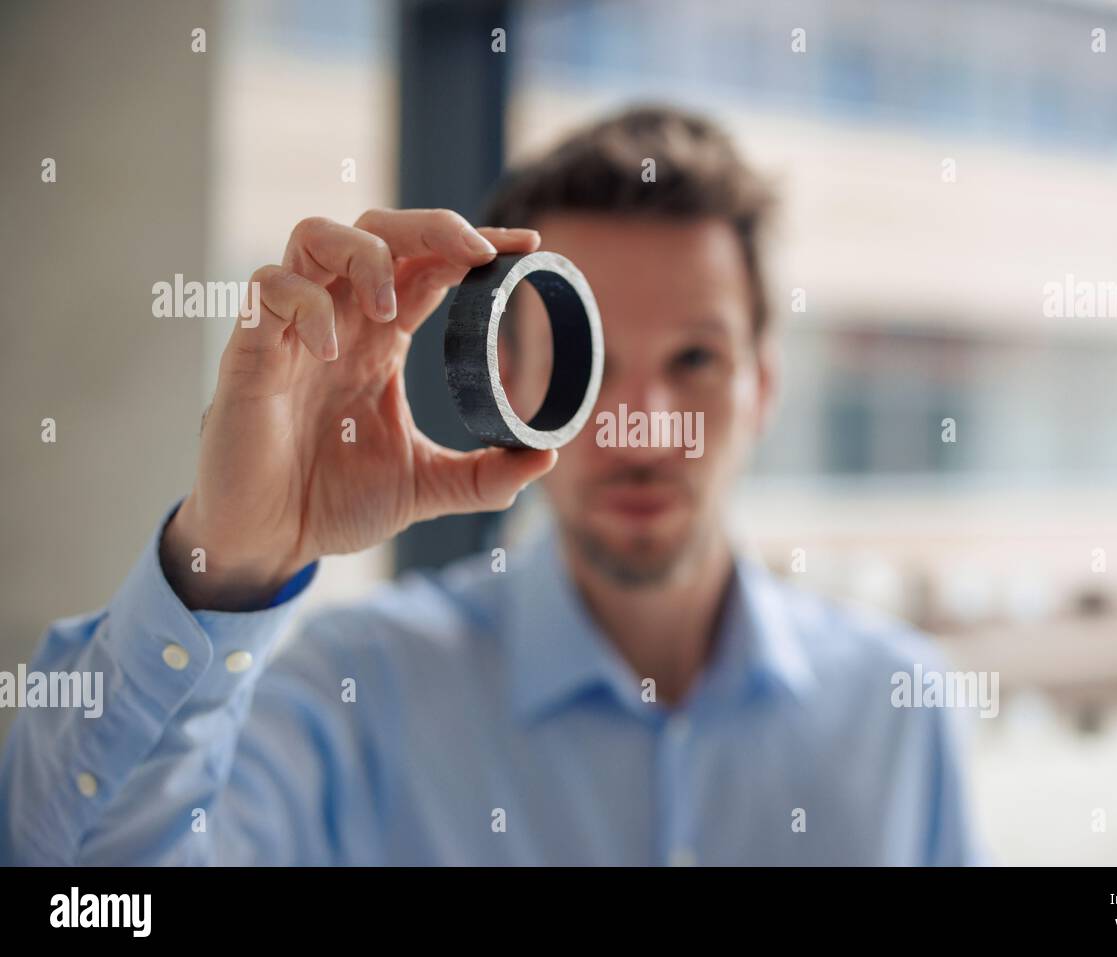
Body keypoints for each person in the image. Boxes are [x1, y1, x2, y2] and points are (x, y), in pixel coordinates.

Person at [0, 105, 979, 865]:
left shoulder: (898, 708)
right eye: (585, 360)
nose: (635, 419)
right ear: (505, 379)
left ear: (764, 387)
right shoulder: (356, 693)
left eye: (693, 359)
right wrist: (228, 561)